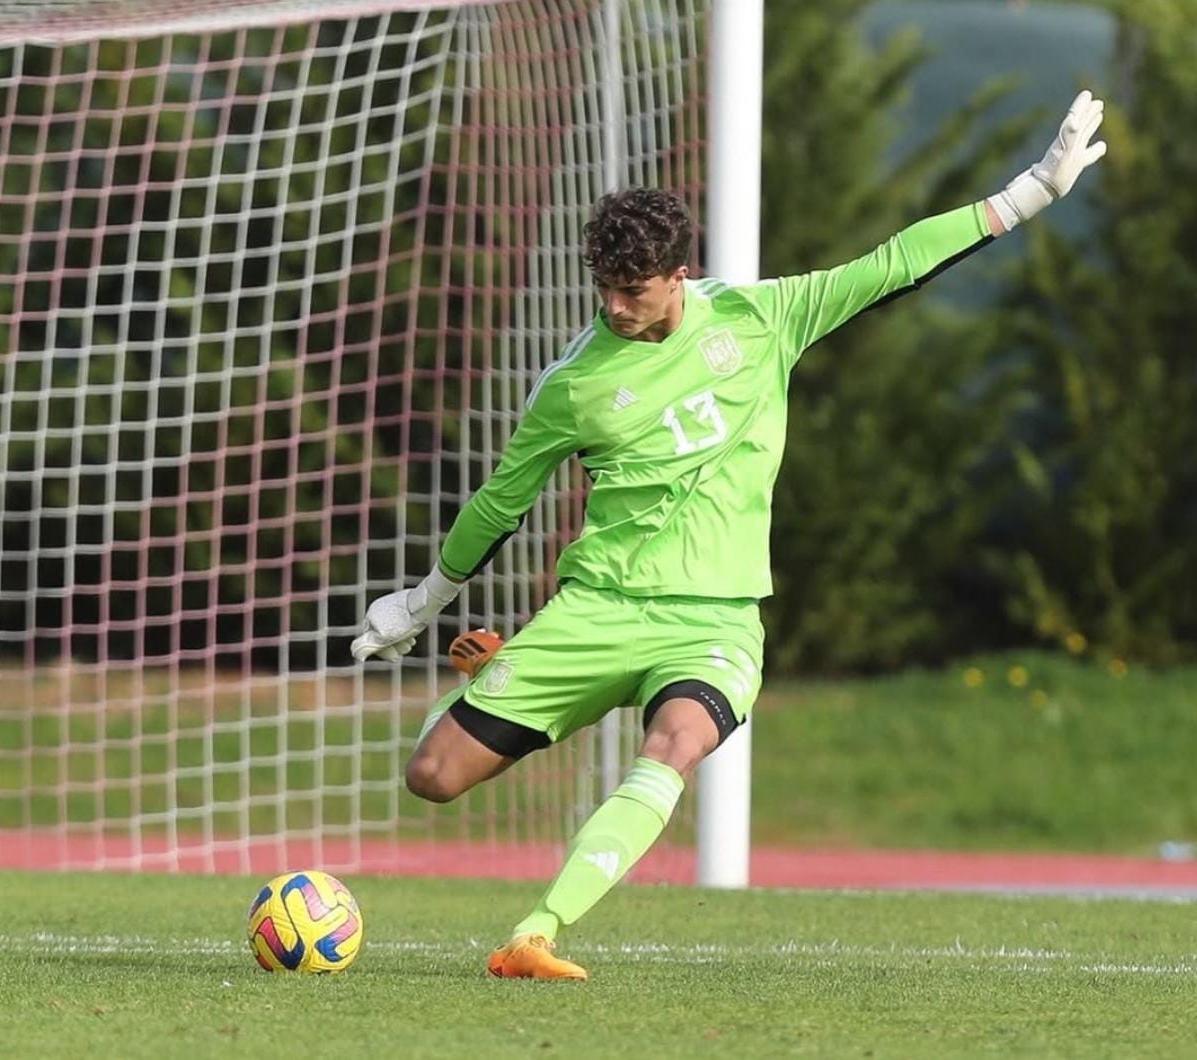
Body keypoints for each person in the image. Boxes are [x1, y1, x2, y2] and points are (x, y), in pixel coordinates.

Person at [352, 91, 1107, 980]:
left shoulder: (761, 319)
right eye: (604, 288)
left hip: (713, 621)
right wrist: (420, 603)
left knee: (674, 743)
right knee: (433, 776)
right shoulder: (573, 385)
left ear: (678, 274)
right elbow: (498, 504)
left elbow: (894, 263)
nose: (615, 307)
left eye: (633, 290)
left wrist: (1031, 191)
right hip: (597, 609)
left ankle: (535, 934)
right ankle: (497, 678)